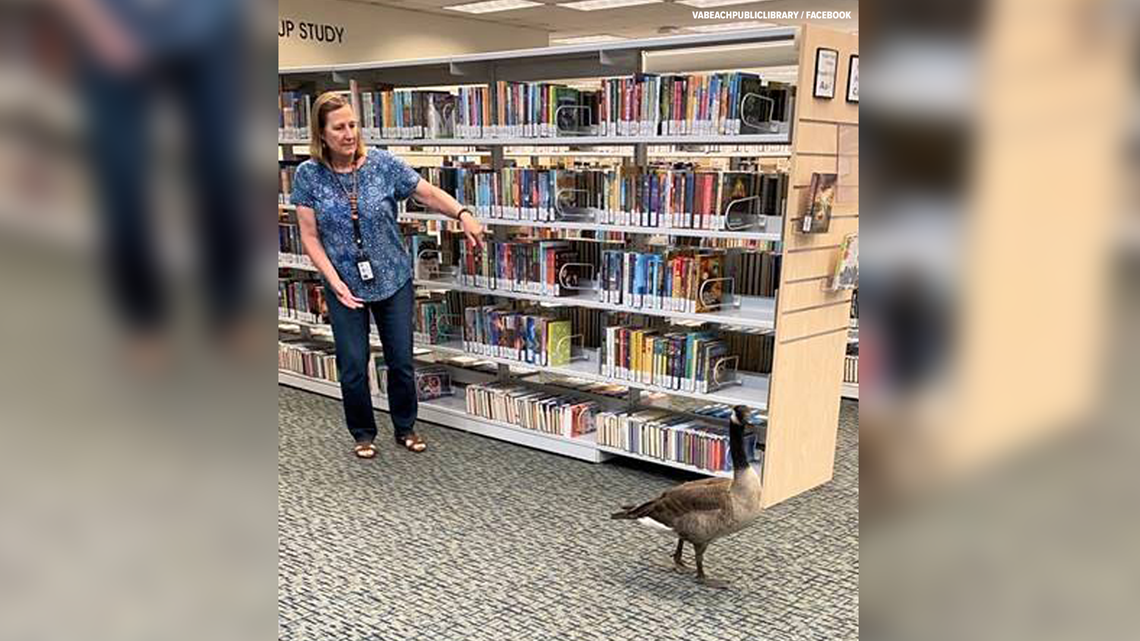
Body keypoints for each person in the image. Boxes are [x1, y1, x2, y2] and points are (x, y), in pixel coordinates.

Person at [290, 92, 484, 459]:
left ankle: (405, 426)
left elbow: (426, 193)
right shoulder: (308, 175)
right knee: (352, 364)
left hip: (393, 278)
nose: (349, 134)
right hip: (343, 282)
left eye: (352, 125)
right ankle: (363, 432)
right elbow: (310, 237)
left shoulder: (381, 164)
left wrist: (462, 213)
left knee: (401, 360)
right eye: (339, 128)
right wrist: (335, 283)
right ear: (321, 133)